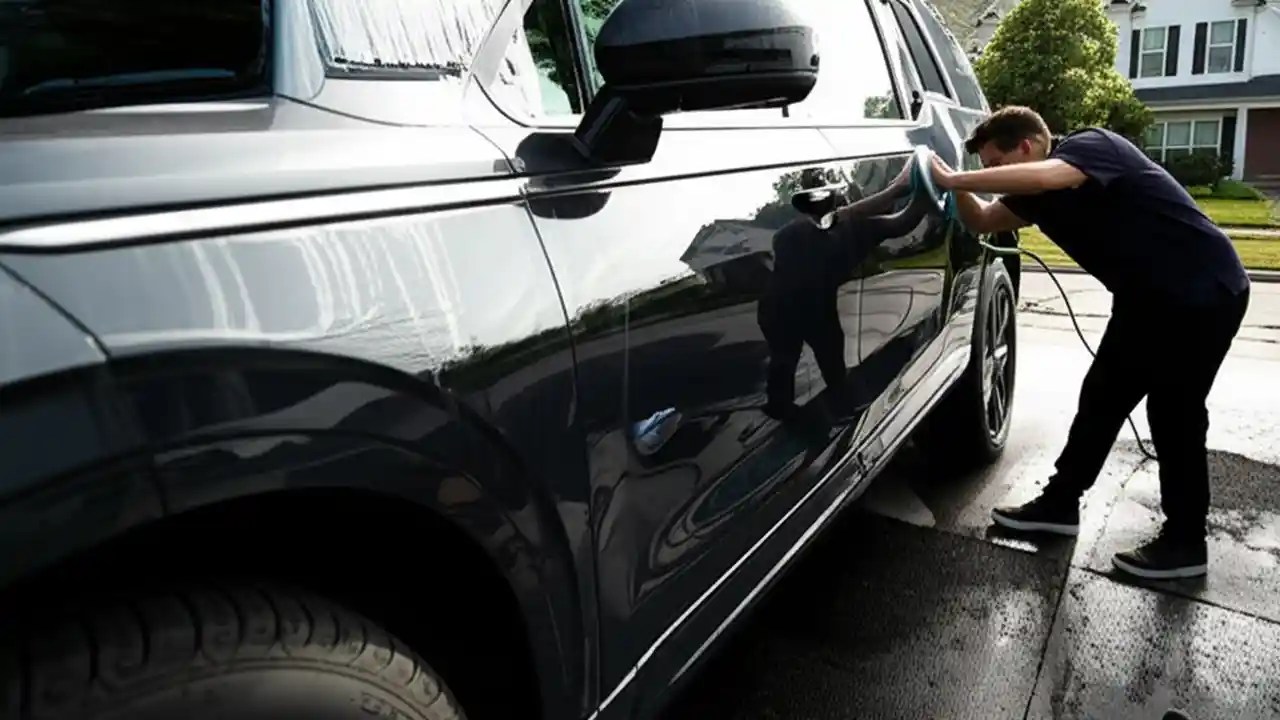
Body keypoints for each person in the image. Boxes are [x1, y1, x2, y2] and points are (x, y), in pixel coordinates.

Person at [928, 106, 1251, 580]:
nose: (994, 177)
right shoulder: (1033, 194)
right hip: (1146, 300)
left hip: (1202, 289)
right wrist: (950, 188)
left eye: (997, 165)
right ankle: (1060, 505)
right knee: (1101, 397)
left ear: (1027, 146)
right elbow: (982, 223)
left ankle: (1185, 544)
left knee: (1174, 413)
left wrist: (955, 180)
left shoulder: (1090, 147)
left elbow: (1052, 176)